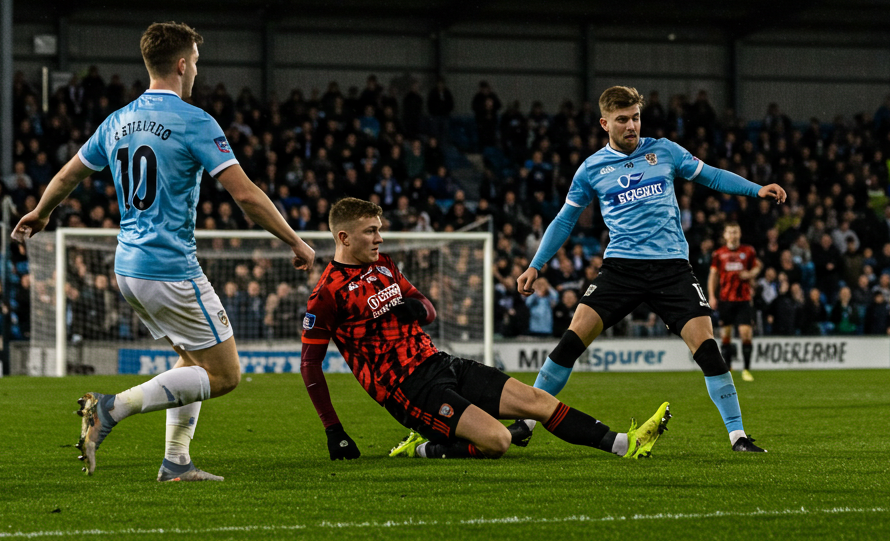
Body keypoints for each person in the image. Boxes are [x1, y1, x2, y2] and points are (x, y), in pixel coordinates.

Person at [11, 22, 317, 480]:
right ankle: (111, 409)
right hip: (170, 268)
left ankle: (176, 462)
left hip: (128, 266)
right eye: (194, 60)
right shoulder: (194, 121)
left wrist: (40, 211)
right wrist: (293, 238)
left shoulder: (117, 120)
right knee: (226, 375)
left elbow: (68, 175)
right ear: (180, 64)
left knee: (191, 361)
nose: (195, 69)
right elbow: (247, 195)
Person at [513, 86, 786, 453]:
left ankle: (738, 436)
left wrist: (756, 190)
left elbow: (713, 176)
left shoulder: (664, 150)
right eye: (623, 119)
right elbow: (565, 220)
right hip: (621, 268)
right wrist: (535, 265)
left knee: (707, 348)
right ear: (604, 122)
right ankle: (527, 422)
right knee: (571, 340)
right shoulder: (591, 168)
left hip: (672, 268)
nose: (631, 126)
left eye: (636, 117)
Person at [300, 198, 669, 461]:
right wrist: (334, 430)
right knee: (499, 440)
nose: (379, 238)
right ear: (344, 238)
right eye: (370, 232)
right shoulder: (326, 295)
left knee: (536, 403)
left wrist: (417, 309)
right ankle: (425, 446)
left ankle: (625, 443)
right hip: (406, 388)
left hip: (439, 363)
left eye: (379, 230)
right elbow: (310, 366)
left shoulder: (385, 267)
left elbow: (426, 308)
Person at [707, 222, 761, 381]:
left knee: (746, 333)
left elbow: (756, 267)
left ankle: (746, 369)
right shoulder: (719, 254)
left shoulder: (748, 251)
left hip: (743, 299)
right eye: (730, 232)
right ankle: (728, 368)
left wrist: (750, 274)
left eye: (735, 232)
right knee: (726, 334)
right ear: (725, 235)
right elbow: (713, 276)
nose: (733, 235)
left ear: (740, 234)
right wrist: (711, 295)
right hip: (725, 299)